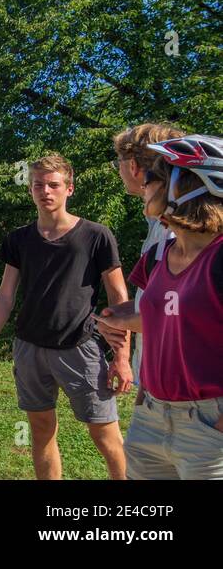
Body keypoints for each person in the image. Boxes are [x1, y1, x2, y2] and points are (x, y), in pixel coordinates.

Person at [0, 153, 132, 479]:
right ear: (30, 189)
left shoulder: (96, 235)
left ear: (69, 189)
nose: (46, 191)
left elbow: (119, 297)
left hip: (80, 346)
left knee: (105, 434)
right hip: (29, 348)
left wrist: (122, 356)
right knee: (41, 432)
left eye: (54, 185)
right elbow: (5, 294)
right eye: (38, 185)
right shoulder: (18, 239)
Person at [97, 135, 223, 479]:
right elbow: (175, 318)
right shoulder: (162, 255)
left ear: (188, 185)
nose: (144, 181)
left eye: (154, 175)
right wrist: (121, 319)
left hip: (208, 426)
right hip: (151, 416)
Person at [109, 123, 184, 403]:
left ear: (133, 167)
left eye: (119, 162)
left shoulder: (178, 231)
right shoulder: (158, 225)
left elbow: (179, 316)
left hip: (184, 392)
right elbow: (161, 301)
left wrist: (122, 321)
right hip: (157, 385)